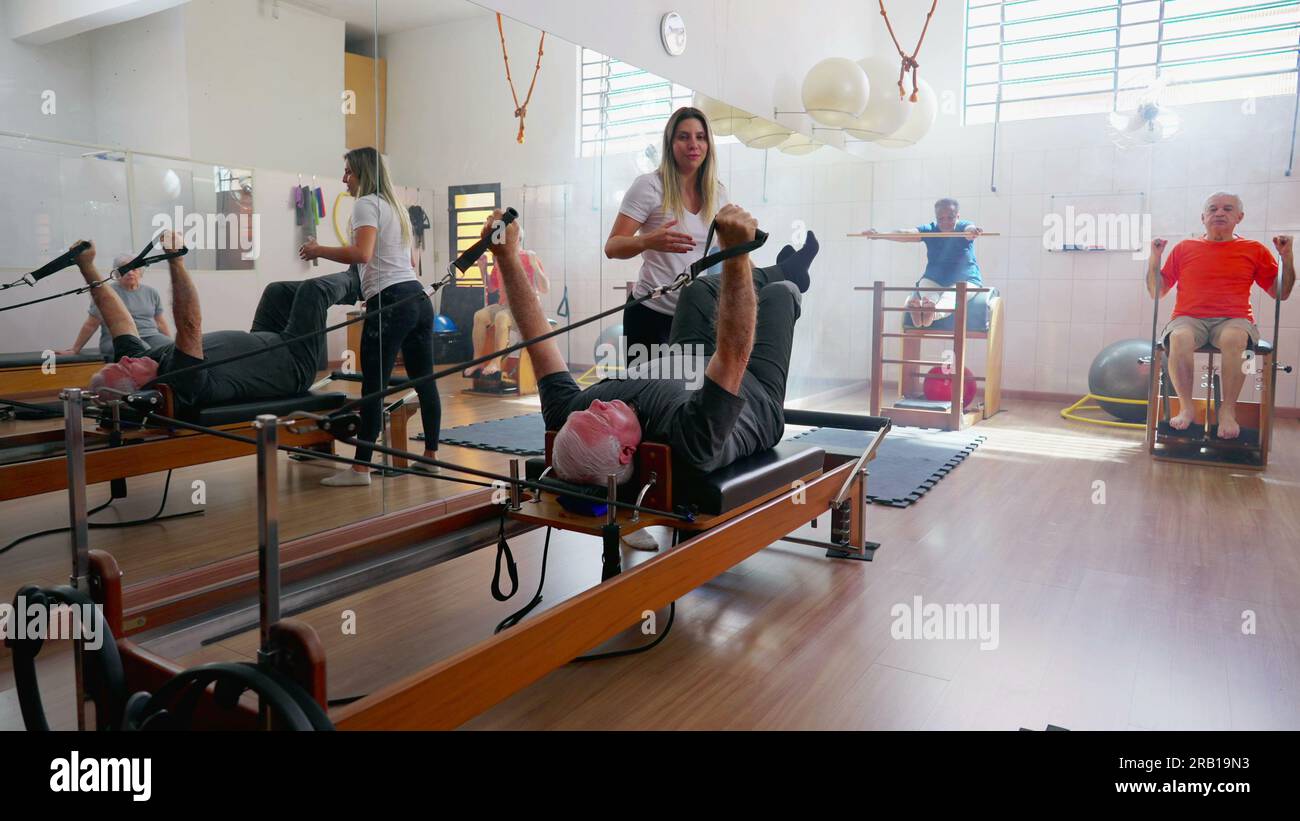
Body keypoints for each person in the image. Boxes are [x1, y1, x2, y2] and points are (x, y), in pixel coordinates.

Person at [486, 203, 819, 486]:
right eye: (600, 419)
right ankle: (789, 276)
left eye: (586, 411)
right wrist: (736, 254)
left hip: (684, 356)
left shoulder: (571, 418)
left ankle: (787, 269)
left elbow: (536, 336)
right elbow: (734, 354)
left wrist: (506, 255)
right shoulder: (691, 442)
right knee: (781, 294)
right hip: (753, 386)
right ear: (627, 452)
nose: (598, 405)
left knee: (696, 290)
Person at [77, 235, 360, 411]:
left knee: (276, 291)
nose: (125, 358)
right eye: (122, 366)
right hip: (294, 365)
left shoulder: (143, 363)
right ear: (140, 390)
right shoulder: (177, 381)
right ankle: (360, 279)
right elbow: (189, 324)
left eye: (119, 360)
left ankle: (355, 281)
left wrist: (86, 265)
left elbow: (118, 321)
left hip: (267, 339)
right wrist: (176, 261)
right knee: (314, 292)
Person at [300, 147, 443, 486]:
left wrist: (318, 249)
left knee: (373, 385)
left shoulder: (366, 204)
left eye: (348, 171)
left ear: (362, 173)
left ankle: (361, 468)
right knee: (424, 380)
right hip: (418, 299)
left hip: (393, 302)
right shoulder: (395, 207)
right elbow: (388, 261)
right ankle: (431, 456)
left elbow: (361, 254)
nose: (344, 178)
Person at [1147, 192, 1294, 439]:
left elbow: (1281, 293)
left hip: (1235, 318)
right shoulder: (1185, 248)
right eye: (1213, 209)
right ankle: (1186, 408)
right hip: (1188, 317)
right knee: (1179, 337)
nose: (1219, 213)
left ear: (1239, 217)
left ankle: (1228, 410)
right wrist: (1154, 257)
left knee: (1235, 338)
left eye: (1227, 209)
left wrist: (1287, 257)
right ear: (1203, 217)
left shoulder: (1253, 249)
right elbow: (1156, 291)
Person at [606, 107, 735, 352]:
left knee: (691, 390)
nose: (693, 144)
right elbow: (612, 247)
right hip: (649, 314)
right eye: (683, 137)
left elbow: (726, 250)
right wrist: (647, 241)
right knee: (649, 390)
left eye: (700, 137)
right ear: (670, 143)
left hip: (697, 316)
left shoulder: (718, 193)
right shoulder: (649, 186)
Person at [863, 197, 984, 327]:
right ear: (936, 217)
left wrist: (973, 231)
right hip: (934, 278)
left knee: (951, 297)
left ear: (958, 216)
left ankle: (931, 314)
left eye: (950, 218)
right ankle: (924, 309)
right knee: (927, 293)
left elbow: (969, 230)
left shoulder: (963, 226)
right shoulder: (930, 229)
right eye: (940, 219)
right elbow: (906, 233)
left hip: (965, 280)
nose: (945, 222)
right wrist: (880, 235)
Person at [59, 255, 172, 361]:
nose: (130, 273)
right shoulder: (107, 293)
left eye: (134, 269)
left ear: (140, 272)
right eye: (125, 269)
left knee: (172, 348)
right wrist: (75, 349)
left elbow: (160, 322)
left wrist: (171, 341)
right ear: (117, 273)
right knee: (144, 351)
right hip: (119, 337)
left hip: (151, 335)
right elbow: (91, 324)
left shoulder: (151, 292)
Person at [462, 249, 550, 379]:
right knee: (479, 316)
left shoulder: (529, 257)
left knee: (501, 317)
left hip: (526, 309)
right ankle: (478, 361)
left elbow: (545, 288)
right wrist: (483, 269)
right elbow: (491, 287)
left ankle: (496, 363)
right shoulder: (500, 259)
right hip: (505, 306)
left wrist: (535, 266)